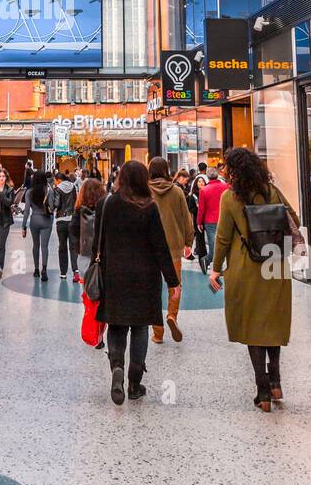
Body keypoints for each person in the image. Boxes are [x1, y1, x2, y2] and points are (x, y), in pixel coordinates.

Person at [209, 148, 295, 412]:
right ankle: (276, 382)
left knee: (252, 327)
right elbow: (294, 222)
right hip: (276, 265)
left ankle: (263, 392)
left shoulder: (230, 198)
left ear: (234, 171)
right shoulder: (272, 192)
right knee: (272, 324)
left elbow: (223, 237)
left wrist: (215, 268)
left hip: (247, 268)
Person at [93, 161, 179, 405]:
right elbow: (160, 247)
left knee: (117, 325)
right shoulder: (149, 207)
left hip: (114, 276)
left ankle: (117, 368)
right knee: (140, 328)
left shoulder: (106, 204)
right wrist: (173, 282)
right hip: (145, 278)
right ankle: (134, 382)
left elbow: (96, 244)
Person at [148, 157, 194, 343]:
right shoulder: (176, 191)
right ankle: (172, 316)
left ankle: (157, 333)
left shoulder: (145, 190)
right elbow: (186, 219)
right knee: (174, 285)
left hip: (150, 248)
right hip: (173, 246)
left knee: (153, 288)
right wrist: (188, 242)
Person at [69, 176, 105, 283]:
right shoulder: (105, 208)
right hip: (103, 253)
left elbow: (73, 229)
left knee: (87, 288)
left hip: (85, 252)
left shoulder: (79, 210)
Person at [22, 170, 56, 281]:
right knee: (44, 246)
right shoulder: (49, 191)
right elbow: (51, 206)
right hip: (46, 220)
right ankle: (44, 270)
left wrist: (23, 226)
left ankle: (36, 270)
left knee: (35, 245)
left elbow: (26, 210)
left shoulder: (29, 192)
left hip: (34, 220)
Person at [196, 167, 229, 269]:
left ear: (207, 177)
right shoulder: (226, 186)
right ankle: (214, 265)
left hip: (210, 221)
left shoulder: (204, 190)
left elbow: (201, 208)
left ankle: (208, 261)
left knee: (212, 244)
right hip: (225, 218)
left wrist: (199, 222)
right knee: (225, 243)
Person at [53, 171, 78, 281]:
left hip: (61, 221)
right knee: (73, 247)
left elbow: (57, 204)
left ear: (58, 180)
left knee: (62, 246)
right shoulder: (73, 187)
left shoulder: (57, 189)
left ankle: (63, 272)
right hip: (72, 219)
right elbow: (76, 202)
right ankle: (75, 271)